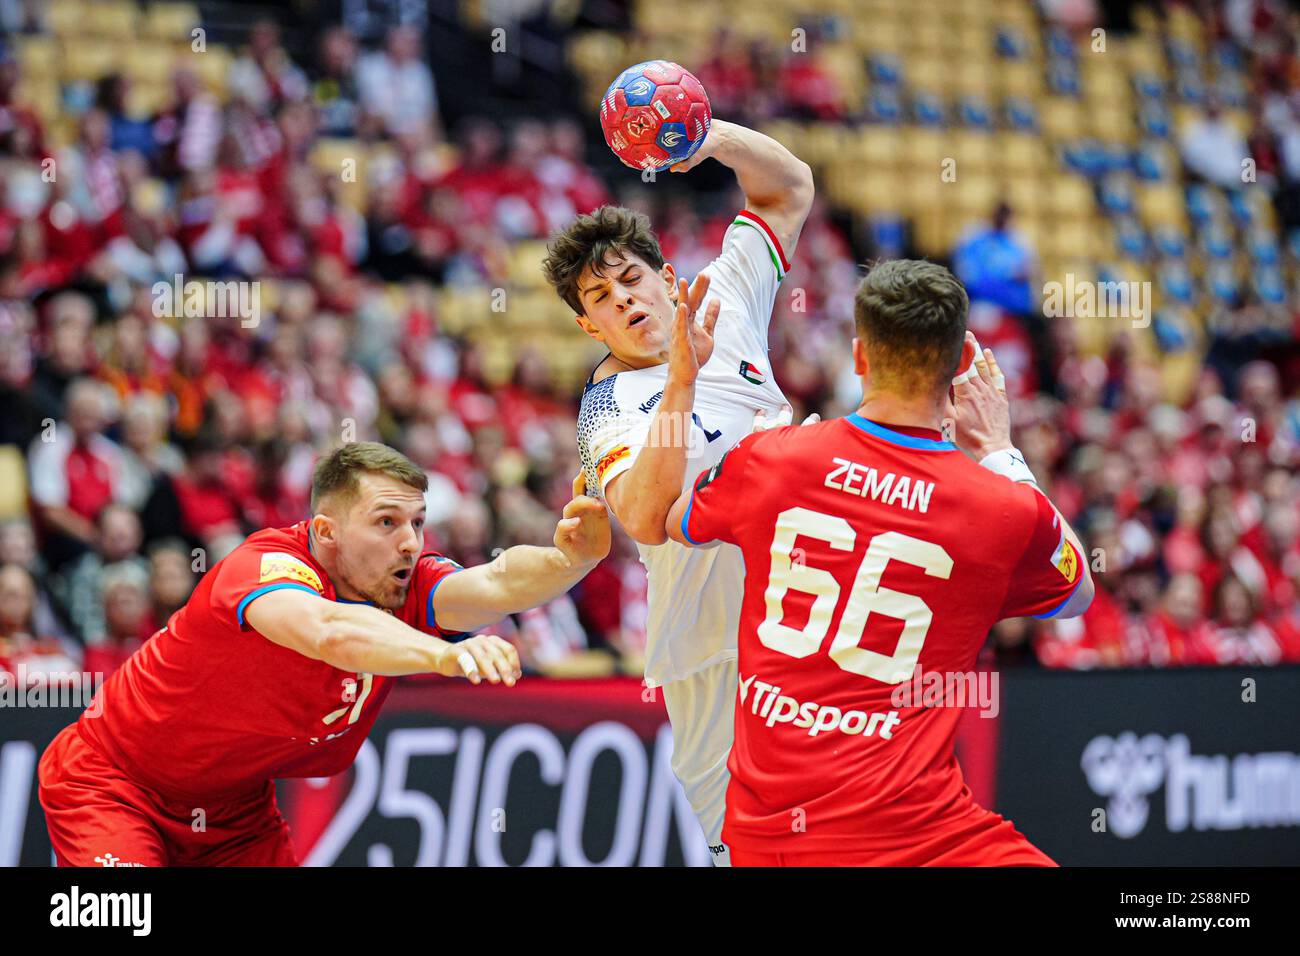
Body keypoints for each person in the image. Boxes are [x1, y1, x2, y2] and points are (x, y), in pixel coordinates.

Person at [664, 259, 1094, 866]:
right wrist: (1001, 453)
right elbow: (1076, 589)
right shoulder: (999, 508)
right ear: (955, 372)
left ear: (860, 356)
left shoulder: (772, 460)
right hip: (916, 837)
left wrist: (748, 444)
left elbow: (676, 519)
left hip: (765, 841)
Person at [38, 441, 609, 866]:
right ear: (326, 532)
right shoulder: (264, 566)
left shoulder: (400, 579)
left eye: (416, 522)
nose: (409, 541)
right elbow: (328, 630)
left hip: (233, 812)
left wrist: (570, 561)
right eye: (386, 522)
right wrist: (444, 656)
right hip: (115, 783)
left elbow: (495, 583)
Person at [542, 118, 815, 865]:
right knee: (755, 851)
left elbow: (790, 187)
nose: (624, 300)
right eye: (601, 296)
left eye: (631, 278)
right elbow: (646, 518)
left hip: (814, 623)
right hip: (715, 651)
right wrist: (683, 382)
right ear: (585, 322)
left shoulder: (724, 297)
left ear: (666, 279)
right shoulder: (607, 408)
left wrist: (710, 138)